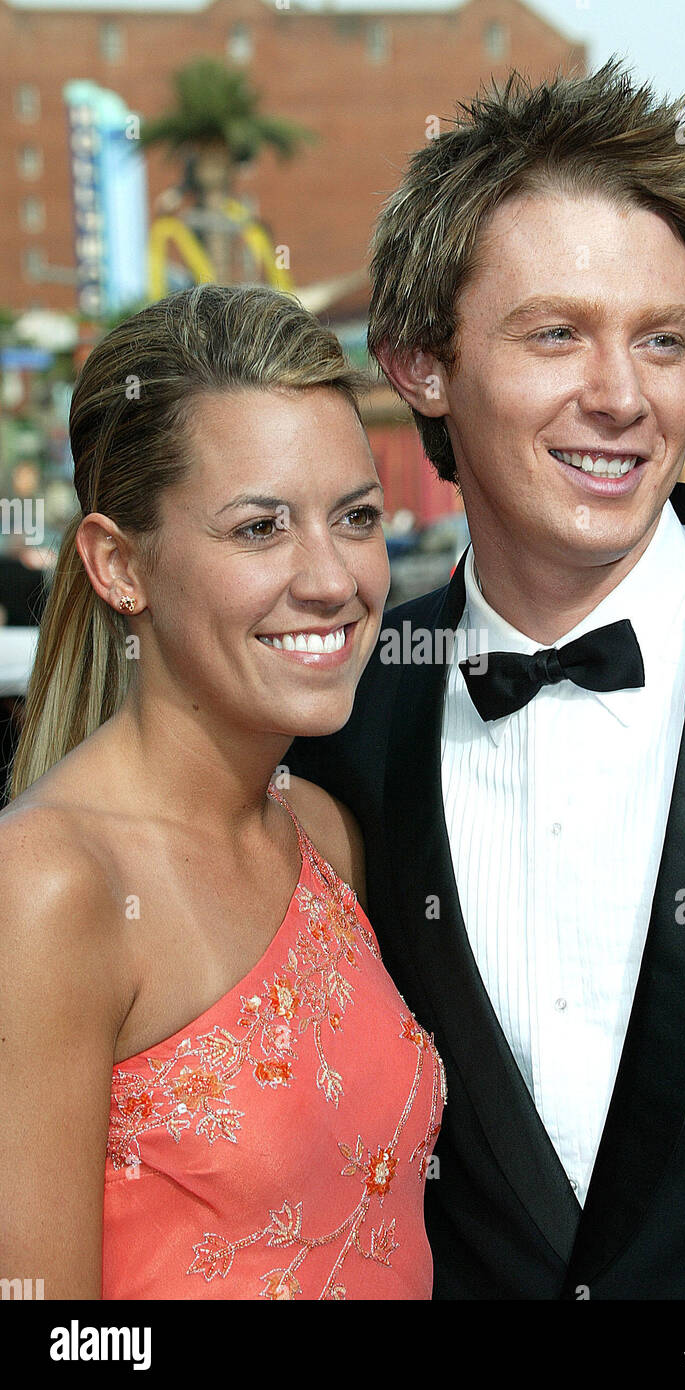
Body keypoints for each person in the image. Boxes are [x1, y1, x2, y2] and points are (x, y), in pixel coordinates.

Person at [288, 61, 685, 1299]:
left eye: (659, 340)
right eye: (555, 332)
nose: (618, 395)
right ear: (419, 363)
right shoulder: (340, 718)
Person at [0, 285, 444, 1301]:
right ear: (118, 564)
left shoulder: (324, 833)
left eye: (355, 517)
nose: (331, 579)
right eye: (259, 528)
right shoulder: (47, 886)